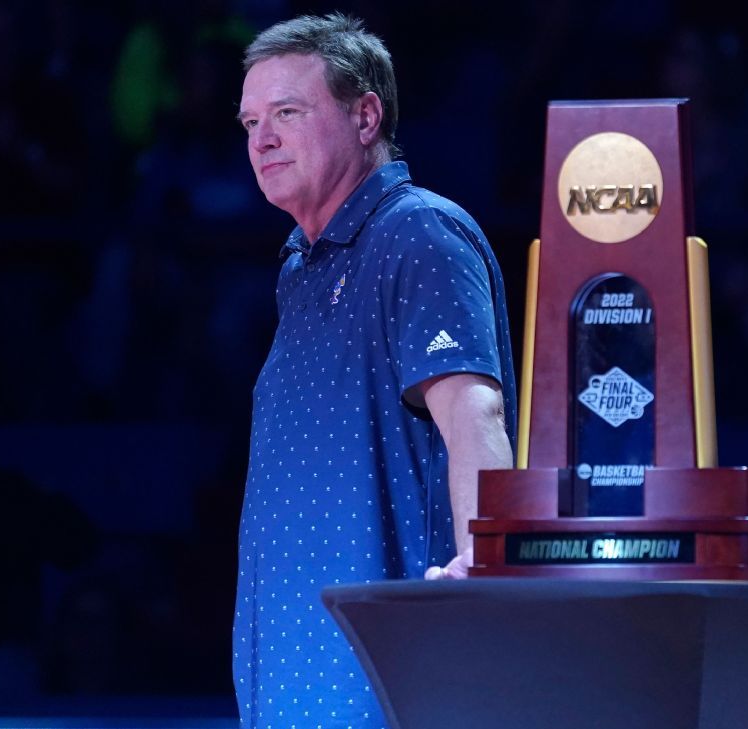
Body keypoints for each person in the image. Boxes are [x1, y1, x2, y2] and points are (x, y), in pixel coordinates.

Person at [232, 14, 516, 728]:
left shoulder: (416, 231)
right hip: (296, 669)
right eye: (250, 122)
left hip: (387, 680)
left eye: (288, 113)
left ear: (366, 116)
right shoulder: (302, 264)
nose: (261, 140)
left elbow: (473, 413)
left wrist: (489, 566)